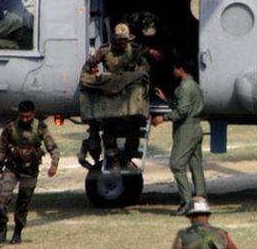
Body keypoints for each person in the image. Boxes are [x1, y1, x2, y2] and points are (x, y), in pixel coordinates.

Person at [80, 23, 149, 170]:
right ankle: (113, 159)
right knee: (108, 130)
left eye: (125, 40)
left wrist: (134, 76)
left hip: (129, 92)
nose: (122, 43)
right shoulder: (105, 50)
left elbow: (144, 68)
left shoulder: (135, 50)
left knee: (134, 130)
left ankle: (128, 157)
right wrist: (91, 76)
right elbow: (89, 64)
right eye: (120, 40)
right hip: (110, 93)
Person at [0, 100, 59, 245]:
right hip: (12, 168)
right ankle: (2, 231)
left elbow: (52, 147)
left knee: (23, 204)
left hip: (30, 170)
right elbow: (2, 150)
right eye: (22, 116)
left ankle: (17, 233)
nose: (25, 119)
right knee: (2, 199)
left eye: (28, 117)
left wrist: (54, 165)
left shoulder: (40, 128)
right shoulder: (10, 127)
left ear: (33, 114)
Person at [153, 57, 206, 216]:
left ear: (180, 69)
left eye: (175, 68)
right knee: (195, 164)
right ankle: (201, 198)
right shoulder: (194, 85)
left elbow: (182, 111)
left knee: (176, 164)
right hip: (196, 127)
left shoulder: (185, 87)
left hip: (186, 129)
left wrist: (163, 118)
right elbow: (183, 105)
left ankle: (186, 202)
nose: (173, 71)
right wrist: (165, 99)